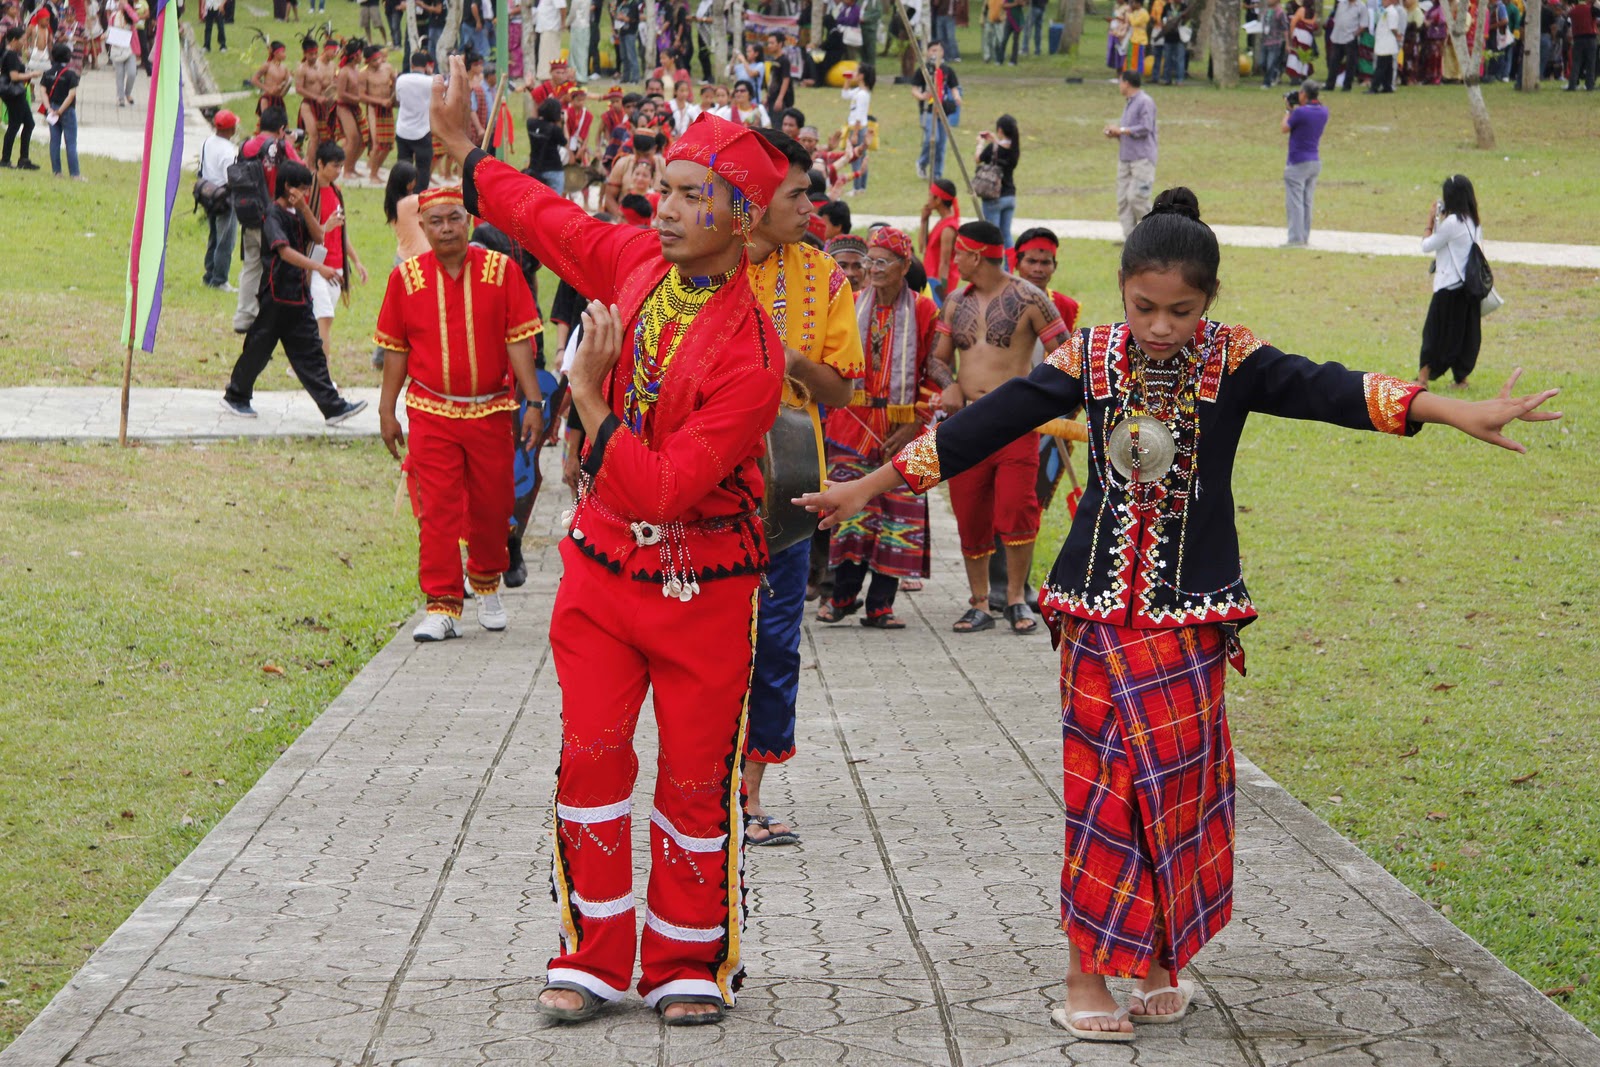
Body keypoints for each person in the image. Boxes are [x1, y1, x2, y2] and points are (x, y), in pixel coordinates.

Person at [801, 185, 1561, 1044]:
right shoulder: (1088, 357)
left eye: (1182, 310)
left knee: (1178, 789)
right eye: (1145, 307)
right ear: (1123, 290)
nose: (1161, 326)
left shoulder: (1233, 360)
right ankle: (1086, 967)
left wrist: (1455, 408)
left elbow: (1335, 390)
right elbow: (991, 420)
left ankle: (1162, 957)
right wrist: (868, 483)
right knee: (1102, 790)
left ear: (1211, 301)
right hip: (1094, 611)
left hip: (1191, 619)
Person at [436, 56, 792, 1020]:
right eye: (662, 189)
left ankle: (687, 960)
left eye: (690, 195)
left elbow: (670, 489)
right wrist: (475, 161)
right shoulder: (638, 263)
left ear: (742, 218)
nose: (662, 206)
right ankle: (593, 950)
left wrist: (588, 395)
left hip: (706, 589)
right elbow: (556, 224)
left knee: (690, 776)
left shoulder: (754, 354)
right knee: (591, 755)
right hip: (599, 573)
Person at [743, 127, 864, 845]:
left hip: (788, 480)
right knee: (700, 637)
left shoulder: (823, 276)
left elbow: (842, 390)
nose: (809, 203)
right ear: (750, 198)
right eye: (794, 192)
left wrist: (785, 355)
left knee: (776, 636)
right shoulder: (692, 271)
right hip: (698, 485)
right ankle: (697, 788)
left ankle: (750, 794)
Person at [372, 187, 544, 641]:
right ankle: (442, 604)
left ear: (467, 221)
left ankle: (486, 584)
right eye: (436, 222)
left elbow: (518, 341)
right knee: (437, 511)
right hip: (430, 411)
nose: (446, 228)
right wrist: (387, 411)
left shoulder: (501, 271)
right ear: (422, 227)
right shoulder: (405, 279)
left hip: (490, 411)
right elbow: (395, 351)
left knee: (493, 507)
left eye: (454, 219)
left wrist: (534, 402)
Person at [927, 219, 1065, 634]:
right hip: (966, 420)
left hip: (1015, 424)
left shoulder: (1031, 298)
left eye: (959, 254)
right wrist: (949, 385)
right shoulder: (954, 301)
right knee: (970, 512)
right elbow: (937, 358)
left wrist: (1038, 399)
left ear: (975, 255)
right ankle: (980, 602)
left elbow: (1066, 354)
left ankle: (1018, 599)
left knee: (1017, 510)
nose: (954, 261)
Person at [817, 227, 938, 630]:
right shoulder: (850, 305)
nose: (872, 269)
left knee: (901, 515)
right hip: (851, 423)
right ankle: (842, 596)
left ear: (905, 266)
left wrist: (915, 423)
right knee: (851, 512)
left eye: (882, 261)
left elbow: (936, 373)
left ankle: (881, 605)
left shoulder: (924, 311)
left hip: (909, 427)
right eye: (870, 261)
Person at [221, 160, 368, 425]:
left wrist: (303, 207)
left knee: (311, 352)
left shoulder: (297, 212)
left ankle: (333, 407)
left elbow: (319, 236)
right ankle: (236, 395)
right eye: (302, 189)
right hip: (277, 296)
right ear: (288, 186)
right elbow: (284, 251)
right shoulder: (272, 215)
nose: (307, 193)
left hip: (299, 295)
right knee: (258, 349)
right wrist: (319, 268)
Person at [232, 106, 305, 334]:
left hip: (247, 213)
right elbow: (301, 173)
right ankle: (268, 319)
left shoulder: (246, 145)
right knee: (273, 269)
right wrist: (291, 146)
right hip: (271, 216)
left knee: (251, 265)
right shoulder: (280, 146)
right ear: (282, 128)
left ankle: (244, 317)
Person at [1418, 175, 1484, 390]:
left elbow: (1427, 246)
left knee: (1433, 334)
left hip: (1448, 288)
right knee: (1463, 336)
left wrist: (1430, 221)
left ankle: (1422, 380)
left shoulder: (1452, 223)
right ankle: (1460, 380)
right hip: (1468, 289)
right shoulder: (1473, 221)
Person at [309, 141, 369, 360]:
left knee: (321, 321)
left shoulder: (337, 192)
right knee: (324, 317)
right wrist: (325, 228)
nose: (339, 171)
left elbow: (342, 233)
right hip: (315, 266)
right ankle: (323, 375)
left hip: (336, 266)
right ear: (320, 164)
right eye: (335, 166)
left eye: (341, 166)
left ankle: (304, 366)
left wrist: (356, 261)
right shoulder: (307, 192)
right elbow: (301, 233)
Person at [1105, 70, 1157, 239]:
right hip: (1125, 158)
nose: (1120, 86)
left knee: (1137, 198)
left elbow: (1145, 127)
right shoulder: (1129, 103)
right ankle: (1131, 243)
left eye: (1120, 82)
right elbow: (1129, 131)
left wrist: (1121, 130)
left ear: (1126, 83)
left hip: (1142, 159)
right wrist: (1116, 133)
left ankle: (1154, 236)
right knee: (1123, 202)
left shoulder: (1145, 101)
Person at [1013, 228, 1081, 342]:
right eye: (1031, 261)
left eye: (1045, 263)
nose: (1038, 269)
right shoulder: (999, 302)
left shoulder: (1067, 307)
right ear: (1017, 264)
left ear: (1055, 266)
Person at [1280, 79, 1327, 248]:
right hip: (1314, 161)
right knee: (1307, 201)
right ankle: (1304, 236)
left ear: (1304, 94)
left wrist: (1288, 109)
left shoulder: (1301, 113)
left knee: (1295, 202)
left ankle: (1295, 239)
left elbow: (1285, 127)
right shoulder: (1323, 111)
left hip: (1297, 161)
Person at [201, 109, 241, 291]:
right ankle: (219, 280)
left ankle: (209, 274)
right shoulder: (228, 151)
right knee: (226, 240)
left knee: (214, 236)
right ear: (231, 129)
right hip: (225, 198)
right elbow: (231, 178)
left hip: (208, 194)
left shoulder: (208, 142)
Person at [911, 39, 959, 180]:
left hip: (943, 111)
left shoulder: (947, 70)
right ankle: (922, 162)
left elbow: (954, 87)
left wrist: (957, 97)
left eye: (938, 50)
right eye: (932, 50)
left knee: (942, 143)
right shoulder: (923, 70)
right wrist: (922, 96)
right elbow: (914, 89)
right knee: (933, 139)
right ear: (927, 53)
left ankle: (937, 174)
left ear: (943, 52)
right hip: (928, 110)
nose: (935, 53)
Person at [976, 114, 1020, 251]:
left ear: (1000, 130)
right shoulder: (1015, 150)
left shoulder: (992, 149)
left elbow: (978, 159)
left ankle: (995, 268)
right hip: (1010, 196)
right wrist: (995, 141)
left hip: (994, 197)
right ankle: (1009, 267)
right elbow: (1002, 151)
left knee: (992, 236)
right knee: (1006, 234)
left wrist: (980, 143)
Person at [1, 26, 40, 170]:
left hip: (17, 93)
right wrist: (31, 75)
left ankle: (24, 159)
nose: (24, 42)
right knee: (14, 125)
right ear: (13, 40)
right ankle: (5, 159)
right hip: (14, 94)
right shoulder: (10, 55)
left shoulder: (12, 54)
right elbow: (14, 76)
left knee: (29, 124)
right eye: (22, 40)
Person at [394, 51, 434, 190]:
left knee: (403, 166)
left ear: (411, 65)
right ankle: (419, 195)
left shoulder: (401, 79)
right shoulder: (431, 81)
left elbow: (398, 100)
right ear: (426, 66)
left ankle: (402, 194)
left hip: (403, 130)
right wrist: (430, 74)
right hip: (422, 131)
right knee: (423, 168)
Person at [41, 42, 80, 179]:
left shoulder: (47, 73)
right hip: (67, 110)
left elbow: (43, 91)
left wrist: (49, 108)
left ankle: (57, 172)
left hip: (51, 109)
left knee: (54, 141)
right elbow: (71, 95)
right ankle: (75, 174)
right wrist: (61, 110)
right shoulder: (71, 74)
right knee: (71, 142)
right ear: (68, 57)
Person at [920, 178, 960, 304]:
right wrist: (923, 221)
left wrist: (942, 291)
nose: (928, 200)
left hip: (938, 286)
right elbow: (922, 248)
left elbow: (945, 263)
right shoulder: (941, 222)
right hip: (930, 280)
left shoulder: (948, 228)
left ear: (938, 200)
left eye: (930, 196)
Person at [334, 39, 369, 181]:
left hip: (355, 107)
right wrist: (357, 99)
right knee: (353, 138)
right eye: (360, 54)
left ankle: (351, 166)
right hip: (343, 107)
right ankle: (345, 169)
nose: (362, 56)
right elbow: (341, 94)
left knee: (363, 139)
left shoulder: (356, 70)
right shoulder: (344, 72)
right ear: (355, 56)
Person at [362, 45, 396, 182]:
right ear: (367, 62)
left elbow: (395, 83)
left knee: (388, 144)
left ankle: (374, 168)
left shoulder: (387, 68)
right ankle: (373, 175)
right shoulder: (364, 74)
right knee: (376, 144)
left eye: (379, 59)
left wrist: (393, 95)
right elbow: (361, 96)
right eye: (374, 61)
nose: (378, 62)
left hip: (387, 108)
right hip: (373, 109)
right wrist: (380, 101)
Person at [294, 38, 331, 163]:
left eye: (316, 53)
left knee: (320, 137)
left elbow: (322, 84)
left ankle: (313, 161)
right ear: (304, 54)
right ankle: (309, 165)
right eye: (311, 54)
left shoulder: (319, 67)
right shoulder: (302, 69)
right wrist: (316, 97)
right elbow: (298, 89)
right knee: (314, 136)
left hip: (320, 105)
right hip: (308, 105)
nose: (314, 56)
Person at [841, 65, 872, 193]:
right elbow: (845, 95)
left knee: (855, 158)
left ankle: (857, 187)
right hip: (857, 127)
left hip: (857, 128)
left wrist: (855, 133)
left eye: (856, 72)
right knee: (861, 157)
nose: (854, 73)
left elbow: (859, 115)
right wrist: (847, 80)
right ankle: (861, 187)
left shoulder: (862, 94)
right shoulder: (858, 91)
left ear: (861, 76)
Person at [1327, 0, 1367, 87]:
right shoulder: (1341, 4)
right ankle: (1330, 84)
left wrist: (1354, 34)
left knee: (1350, 63)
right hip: (1337, 37)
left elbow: (1363, 24)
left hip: (1350, 38)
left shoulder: (1361, 6)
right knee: (1333, 62)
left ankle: (1347, 85)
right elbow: (1336, 19)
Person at [1370, 0, 1403, 91]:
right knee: (1388, 67)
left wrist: (1397, 35)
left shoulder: (1392, 12)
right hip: (1383, 43)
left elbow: (1393, 27)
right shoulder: (1386, 11)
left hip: (1386, 43)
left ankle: (1374, 87)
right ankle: (1387, 86)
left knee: (1381, 67)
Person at [253, 41, 291, 116]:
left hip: (279, 99)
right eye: (282, 52)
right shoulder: (267, 65)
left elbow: (288, 82)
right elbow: (254, 79)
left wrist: (283, 85)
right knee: (267, 124)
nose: (285, 54)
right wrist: (267, 89)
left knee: (283, 125)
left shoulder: (284, 68)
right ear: (275, 53)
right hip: (267, 98)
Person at [1568, 0, 1598, 88]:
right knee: (1591, 63)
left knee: (1576, 63)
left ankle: (1572, 84)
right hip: (1590, 38)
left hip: (1577, 38)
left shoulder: (1573, 11)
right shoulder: (1591, 9)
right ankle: (1589, 85)